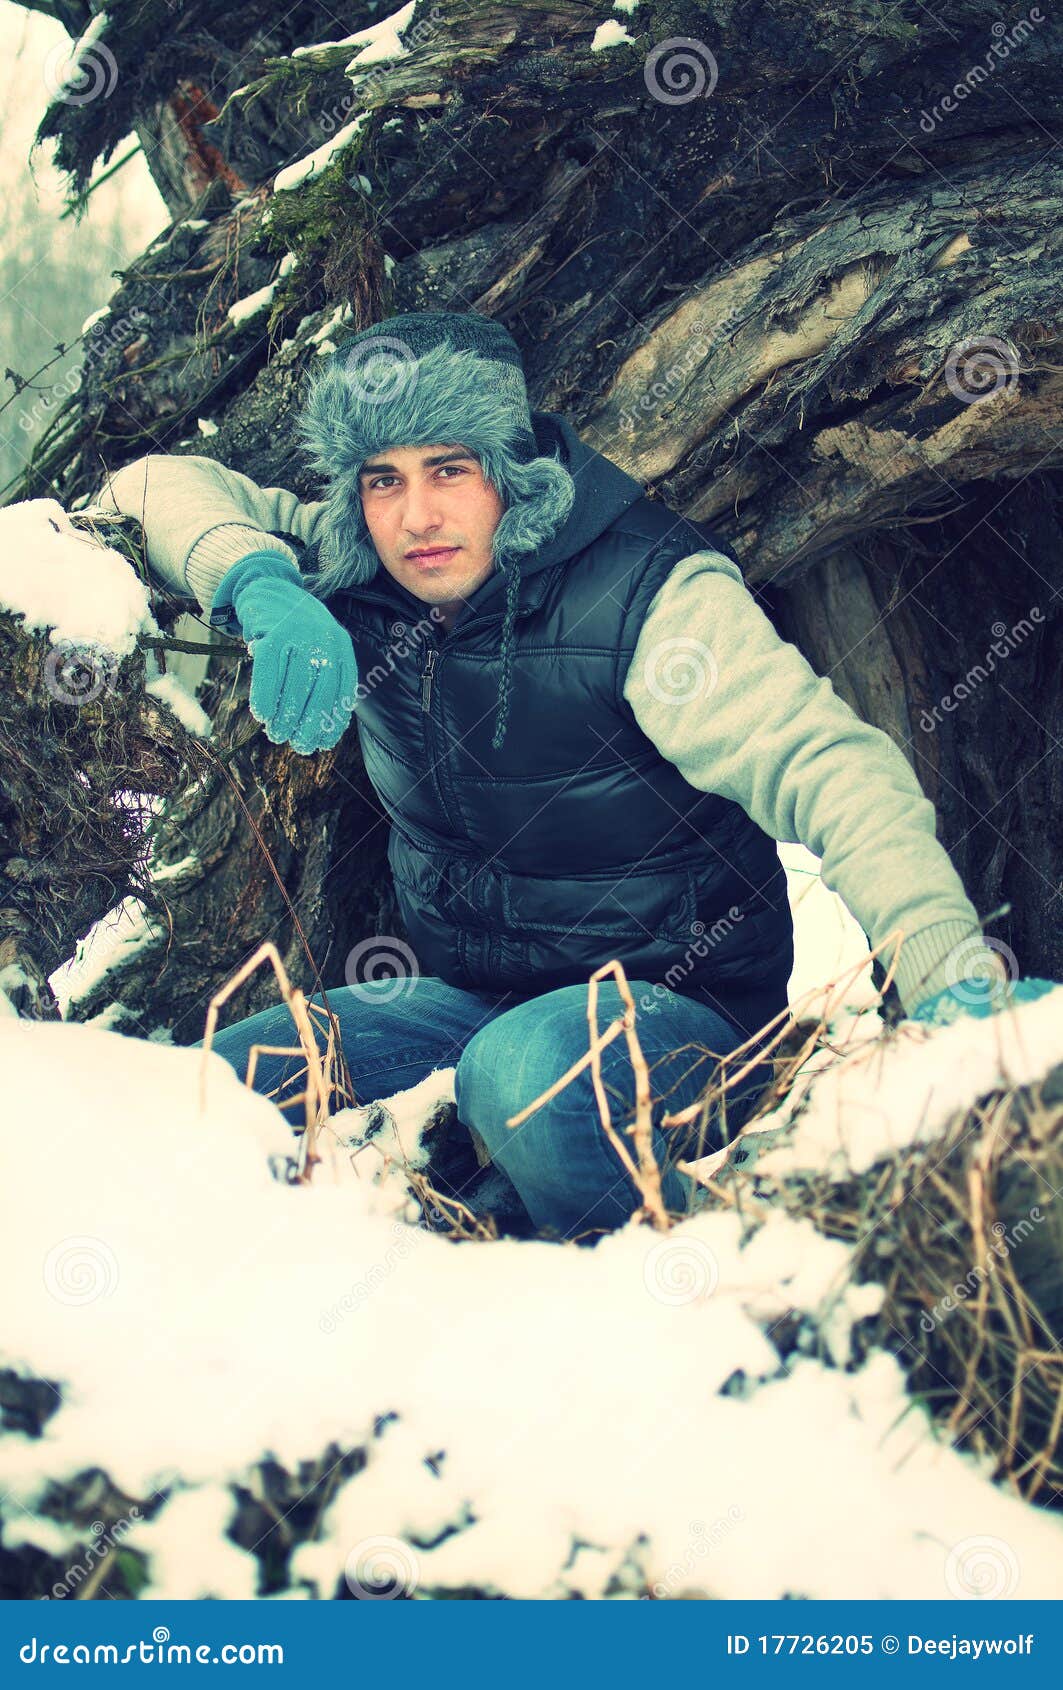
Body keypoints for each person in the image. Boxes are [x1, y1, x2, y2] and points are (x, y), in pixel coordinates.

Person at [96, 310, 1049, 1240]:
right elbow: (149, 485)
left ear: (511, 474)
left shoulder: (648, 596)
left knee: (526, 1082)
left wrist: (947, 983)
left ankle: (709, 1287)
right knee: (215, 1094)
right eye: (382, 480)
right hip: (463, 999)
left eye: (450, 471)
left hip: (679, 1010)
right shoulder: (358, 566)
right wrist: (257, 582)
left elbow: (829, 768)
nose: (416, 515)